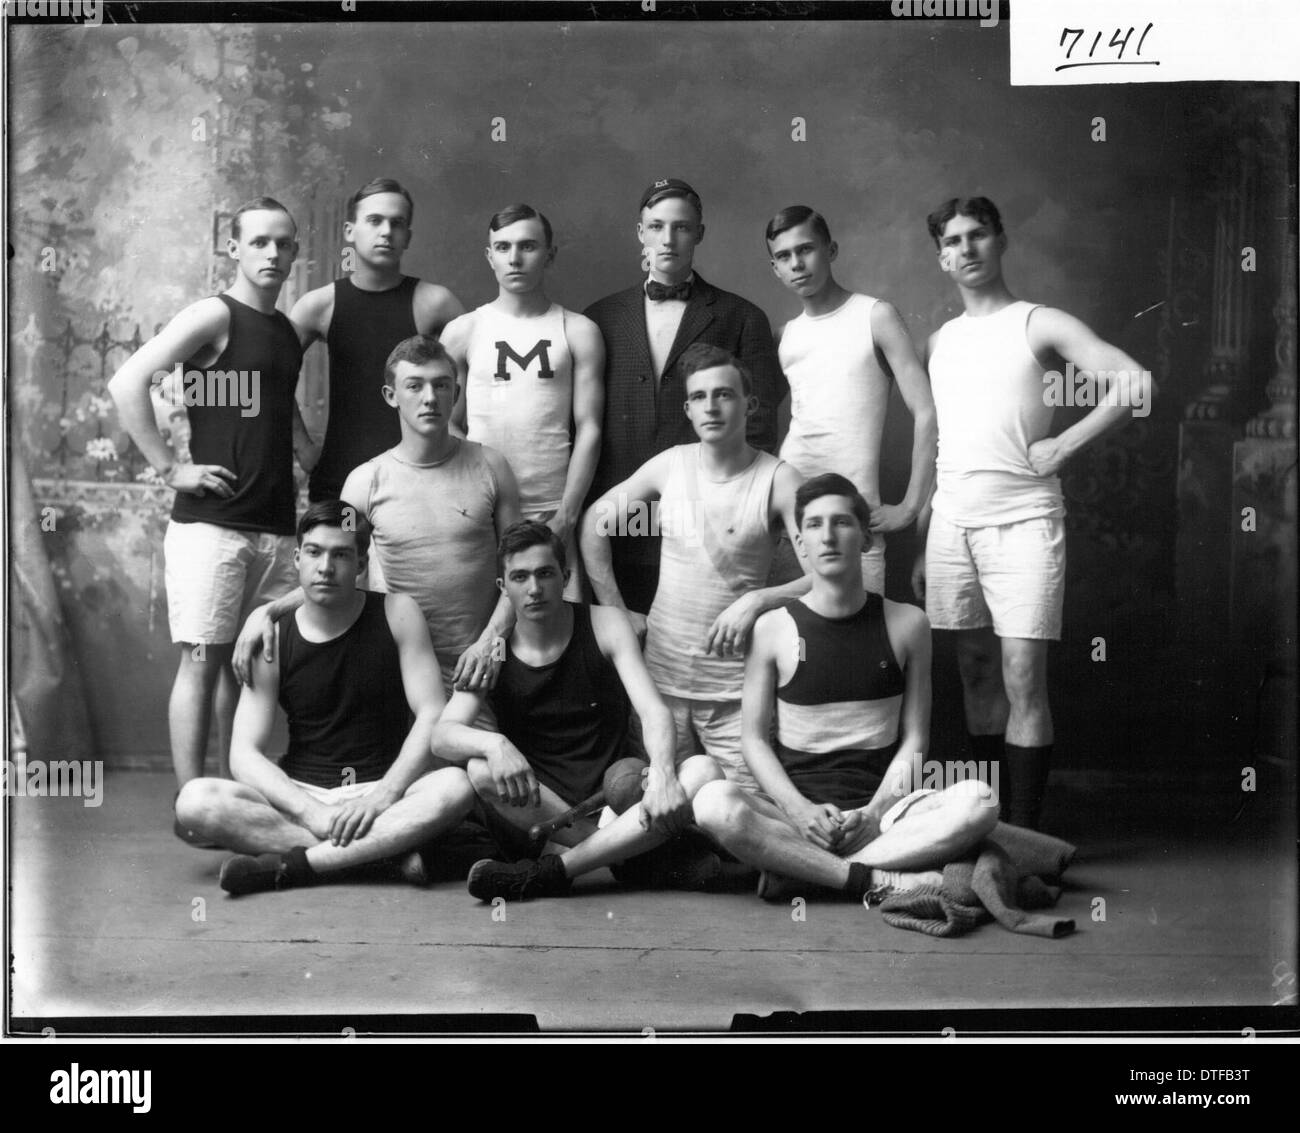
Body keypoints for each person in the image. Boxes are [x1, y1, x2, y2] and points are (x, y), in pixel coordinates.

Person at [914, 196, 1154, 829]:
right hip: (951, 522)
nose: (966, 249)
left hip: (1023, 518)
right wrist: (926, 534)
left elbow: (1136, 382)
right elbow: (944, 439)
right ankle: (989, 827)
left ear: (1000, 241)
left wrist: (1066, 443)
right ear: (941, 256)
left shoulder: (1038, 323)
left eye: (977, 236)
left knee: (1022, 673)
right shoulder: (940, 339)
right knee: (972, 668)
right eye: (953, 241)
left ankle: (1025, 835)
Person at [692, 473, 999, 902]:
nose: (828, 536)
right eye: (814, 525)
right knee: (712, 803)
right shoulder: (772, 630)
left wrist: (874, 815)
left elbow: (915, 738)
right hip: (797, 817)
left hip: (885, 817)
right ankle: (872, 880)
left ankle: (801, 870)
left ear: (867, 540)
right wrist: (800, 813)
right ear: (800, 546)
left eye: (842, 522)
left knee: (980, 800)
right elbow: (753, 741)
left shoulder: (908, 623)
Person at [108, 197, 309, 797]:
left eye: (283, 243)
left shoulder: (285, 331)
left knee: (252, 667)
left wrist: (314, 460)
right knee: (202, 662)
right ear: (235, 249)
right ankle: (194, 801)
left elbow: (283, 410)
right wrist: (172, 469)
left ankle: (234, 787)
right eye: (259, 242)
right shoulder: (212, 316)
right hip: (212, 527)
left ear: (295, 251)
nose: (272, 253)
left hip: (276, 527)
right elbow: (126, 382)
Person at [173, 500, 475, 895]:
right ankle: (381, 855)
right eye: (314, 552)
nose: (326, 567)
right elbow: (243, 754)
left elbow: (432, 712)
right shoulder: (273, 635)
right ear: (297, 559)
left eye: (341, 555)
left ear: (361, 566)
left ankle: (305, 863)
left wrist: (383, 798)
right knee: (195, 801)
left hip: (383, 791)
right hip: (301, 798)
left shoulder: (398, 613)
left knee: (456, 785)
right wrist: (309, 811)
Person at [430, 521, 725, 901]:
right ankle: (628, 853)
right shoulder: (495, 653)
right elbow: (442, 736)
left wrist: (665, 772)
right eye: (520, 577)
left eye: (545, 574)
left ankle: (557, 870)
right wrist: (495, 744)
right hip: (547, 814)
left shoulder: (604, 624)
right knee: (479, 769)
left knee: (702, 769)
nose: (534, 589)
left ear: (565, 577)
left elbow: (653, 710)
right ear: (504, 588)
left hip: (615, 802)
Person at [233, 335, 522, 701]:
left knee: (485, 755)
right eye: (414, 386)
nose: (430, 398)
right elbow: (332, 564)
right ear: (391, 396)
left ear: (456, 392)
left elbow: (521, 567)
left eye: (441, 385)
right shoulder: (365, 484)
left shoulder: (492, 467)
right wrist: (270, 612)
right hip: (396, 667)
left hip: (480, 666)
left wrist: (491, 643)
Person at [580, 343, 808, 793]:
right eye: (700, 397)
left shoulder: (779, 479)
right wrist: (617, 612)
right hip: (660, 688)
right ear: (687, 408)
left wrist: (758, 599)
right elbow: (594, 524)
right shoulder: (670, 467)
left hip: (735, 695)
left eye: (724, 394)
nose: (712, 406)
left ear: (750, 404)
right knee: (650, 807)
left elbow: (826, 575)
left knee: (740, 815)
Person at [584, 178, 788, 613]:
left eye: (681, 227)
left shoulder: (742, 317)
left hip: (705, 518)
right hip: (619, 513)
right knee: (622, 641)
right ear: (640, 233)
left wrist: (733, 509)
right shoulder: (599, 318)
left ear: (699, 233)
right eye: (656, 227)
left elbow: (760, 424)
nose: (668, 239)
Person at [765, 204, 937, 593]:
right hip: (789, 519)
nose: (797, 263)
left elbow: (927, 412)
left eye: (806, 249)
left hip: (853, 518)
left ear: (831, 250)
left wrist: (910, 506)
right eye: (784, 256)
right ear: (775, 268)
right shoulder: (785, 335)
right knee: (788, 643)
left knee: (858, 644)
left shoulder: (875, 316)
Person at [441, 205, 603, 597]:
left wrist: (566, 513)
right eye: (503, 247)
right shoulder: (464, 331)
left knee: (555, 630)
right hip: (480, 509)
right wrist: (470, 495)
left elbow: (591, 428)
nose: (514, 258)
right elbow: (445, 423)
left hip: (550, 510)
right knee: (480, 625)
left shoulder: (578, 330)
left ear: (550, 255)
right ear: (489, 255)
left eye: (528, 246)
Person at [290, 177, 464, 502]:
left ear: (407, 237)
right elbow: (272, 378)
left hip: (419, 483)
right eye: (374, 221)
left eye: (396, 223)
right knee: (337, 552)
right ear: (349, 231)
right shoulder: (318, 306)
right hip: (337, 480)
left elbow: (473, 380)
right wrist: (303, 448)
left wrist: (451, 440)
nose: (386, 231)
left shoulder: (437, 303)